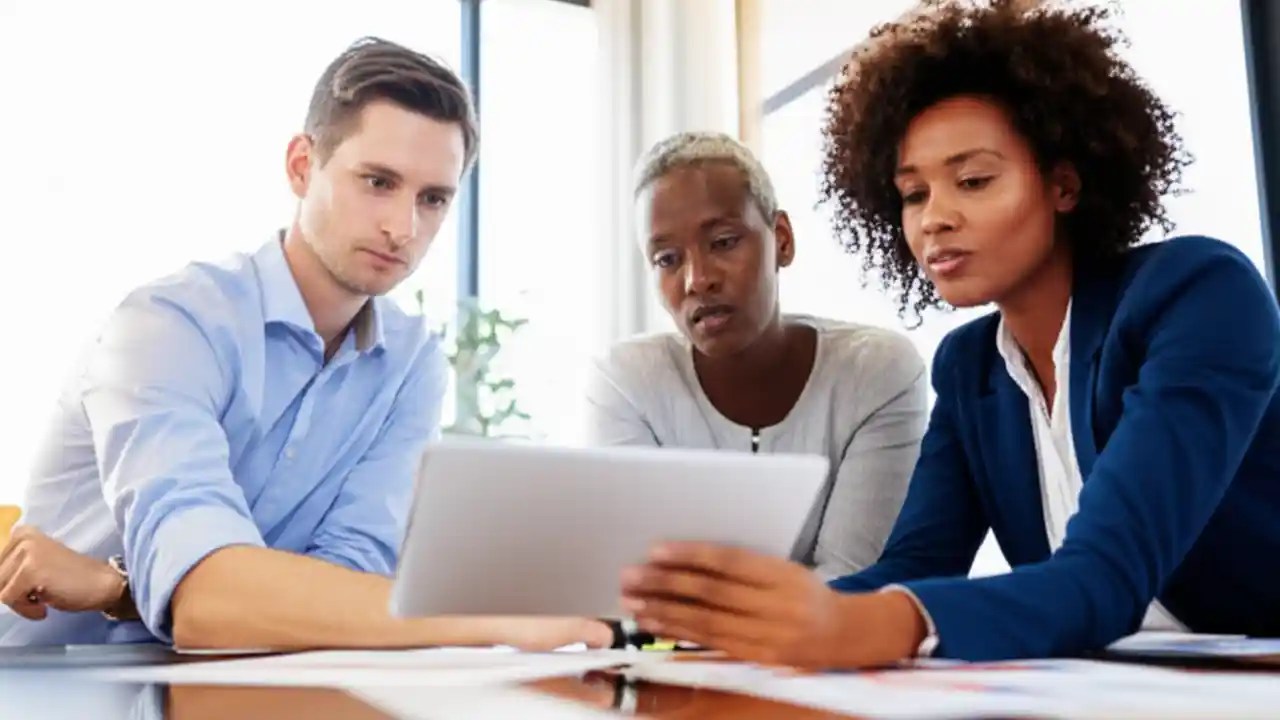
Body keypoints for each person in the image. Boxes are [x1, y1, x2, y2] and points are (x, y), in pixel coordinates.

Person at [619, 0, 1280, 666]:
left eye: (972, 180)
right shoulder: (969, 368)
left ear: (1064, 185)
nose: (934, 219)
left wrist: (868, 623)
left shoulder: (1199, 295)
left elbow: (1106, 575)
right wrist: (719, 622)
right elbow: (914, 566)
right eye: (913, 194)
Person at [0, 36, 608, 651]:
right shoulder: (168, 326)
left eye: (433, 199)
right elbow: (208, 601)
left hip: (242, 681)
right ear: (300, 165)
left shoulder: (411, 364)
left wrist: (120, 589)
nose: (403, 228)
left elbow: (349, 582)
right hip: (52, 680)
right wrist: (495, 620)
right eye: (377, 182)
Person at [586, 132, 927, 578]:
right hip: (677, 649)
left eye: (724, 242)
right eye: (667, 259)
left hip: (832, 645)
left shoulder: (876, 372)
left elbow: (850, 581)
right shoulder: (628, 382)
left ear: (781, 240)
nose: (697, 279)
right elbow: (641, 581)